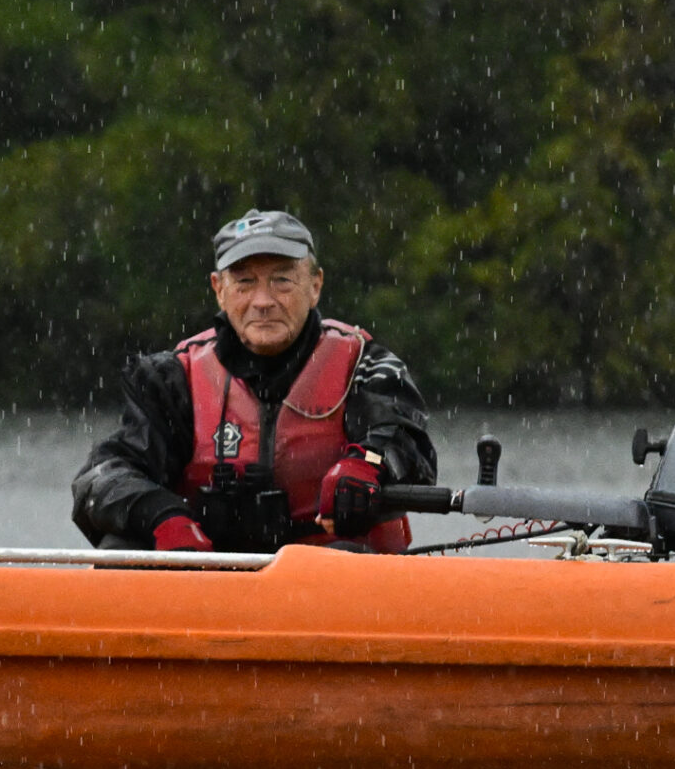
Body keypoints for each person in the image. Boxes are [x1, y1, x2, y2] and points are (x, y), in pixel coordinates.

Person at [72, 208, 433, 553]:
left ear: (315, 285)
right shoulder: (172, 378)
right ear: (219, 289)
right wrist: (162, 516)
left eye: (282, 280)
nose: (263, 301)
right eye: (245, 282)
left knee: (343, 556)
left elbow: (405, 441)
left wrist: (366, 465)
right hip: (208, 574)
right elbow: (104, 475)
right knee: (121, 549)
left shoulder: (366, 365)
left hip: (333, 573)